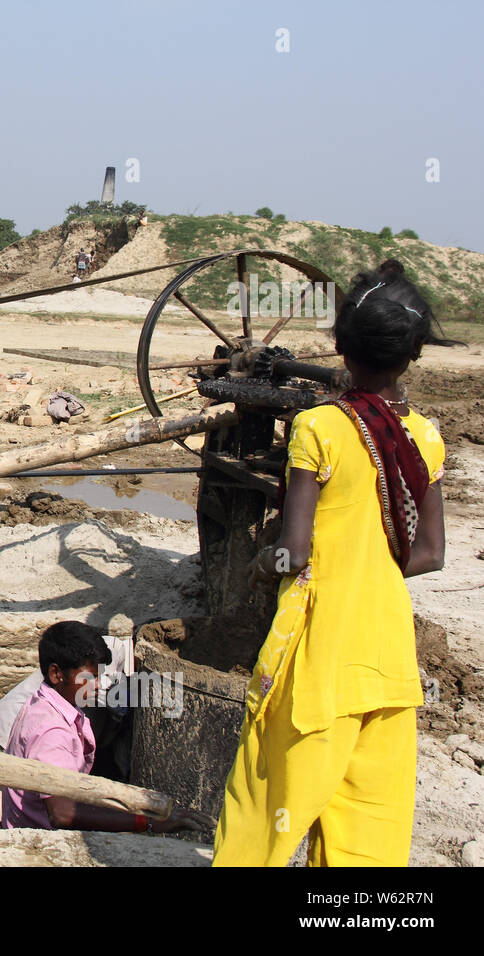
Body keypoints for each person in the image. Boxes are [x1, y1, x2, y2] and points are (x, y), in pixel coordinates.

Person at [213, 273, 450, 867]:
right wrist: (371, 560)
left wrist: (263, 564)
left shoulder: (319, 427)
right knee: (367, 830)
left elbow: (295, 549)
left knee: (264, 802)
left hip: (319, 654)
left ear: (341, 349)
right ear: (413, 356)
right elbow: (430, 554)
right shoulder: (426, 437)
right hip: (390, 659)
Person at [1, 622, 205, 833]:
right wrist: (147, 822)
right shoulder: (52, 732)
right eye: (90, 678)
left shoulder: (46, 703)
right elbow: (62, 813)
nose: (98, 684)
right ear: (56, 674)